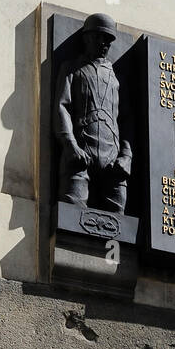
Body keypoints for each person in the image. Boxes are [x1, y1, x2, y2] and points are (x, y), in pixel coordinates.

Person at [54, 12, 132, 212]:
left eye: (108, 39)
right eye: (99, 37)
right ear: (87, 38)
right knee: (71, 213)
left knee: (119, 222)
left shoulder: (118, 77)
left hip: (112, 158)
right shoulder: (72, 69)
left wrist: (126, 157)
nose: (104, 43)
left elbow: (126, 120)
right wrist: (70, 145)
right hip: (81, 151)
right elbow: (62, 106)